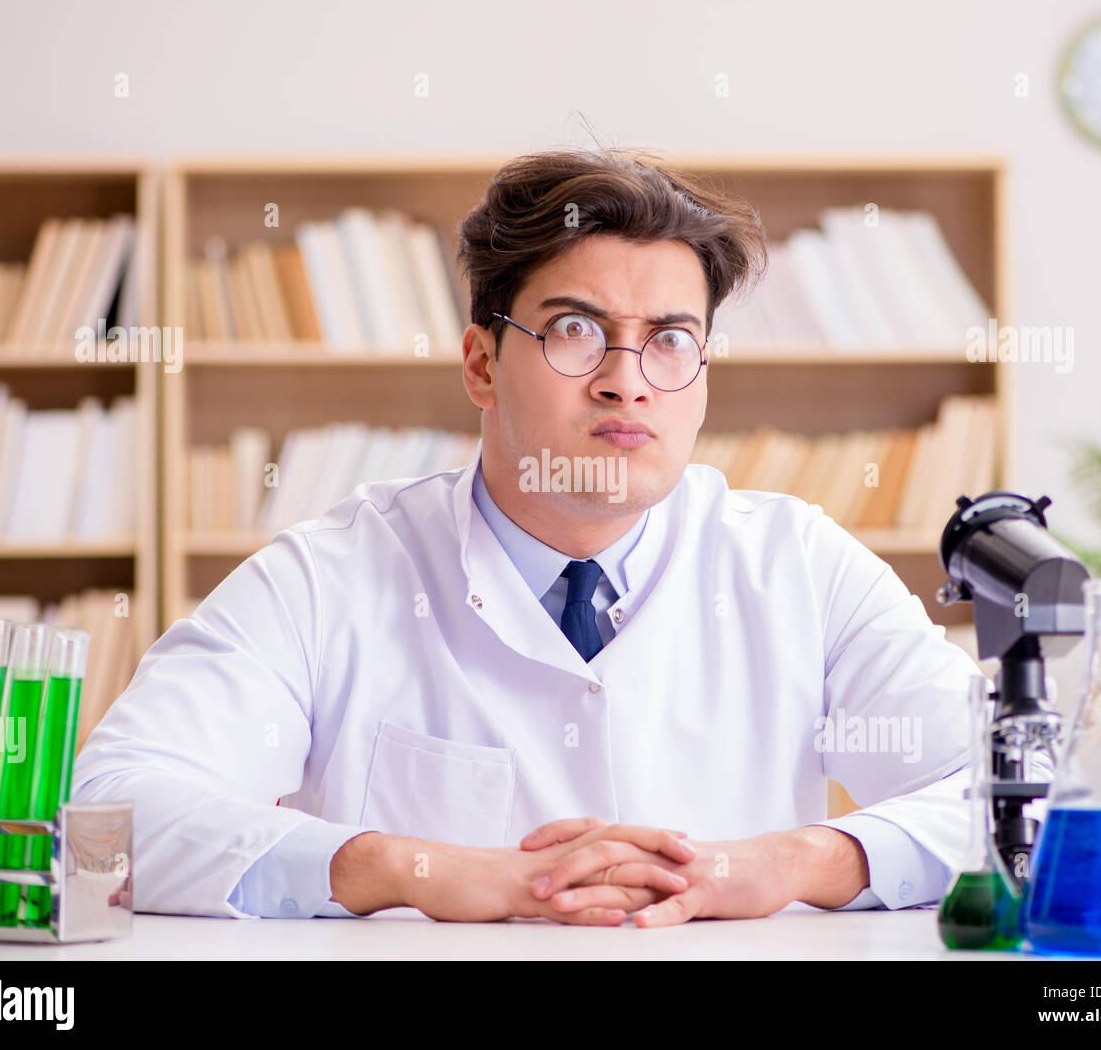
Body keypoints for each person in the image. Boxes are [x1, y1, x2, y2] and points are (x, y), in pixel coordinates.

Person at [73, 145, 982, 928]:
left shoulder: (799, 567)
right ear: (481, 363)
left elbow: (1025, 797)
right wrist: (412, 871)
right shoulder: (330, 575)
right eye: (576, 330)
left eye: (670, 339)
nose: (627, 381)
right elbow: (107, 810)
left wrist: (788, 866)